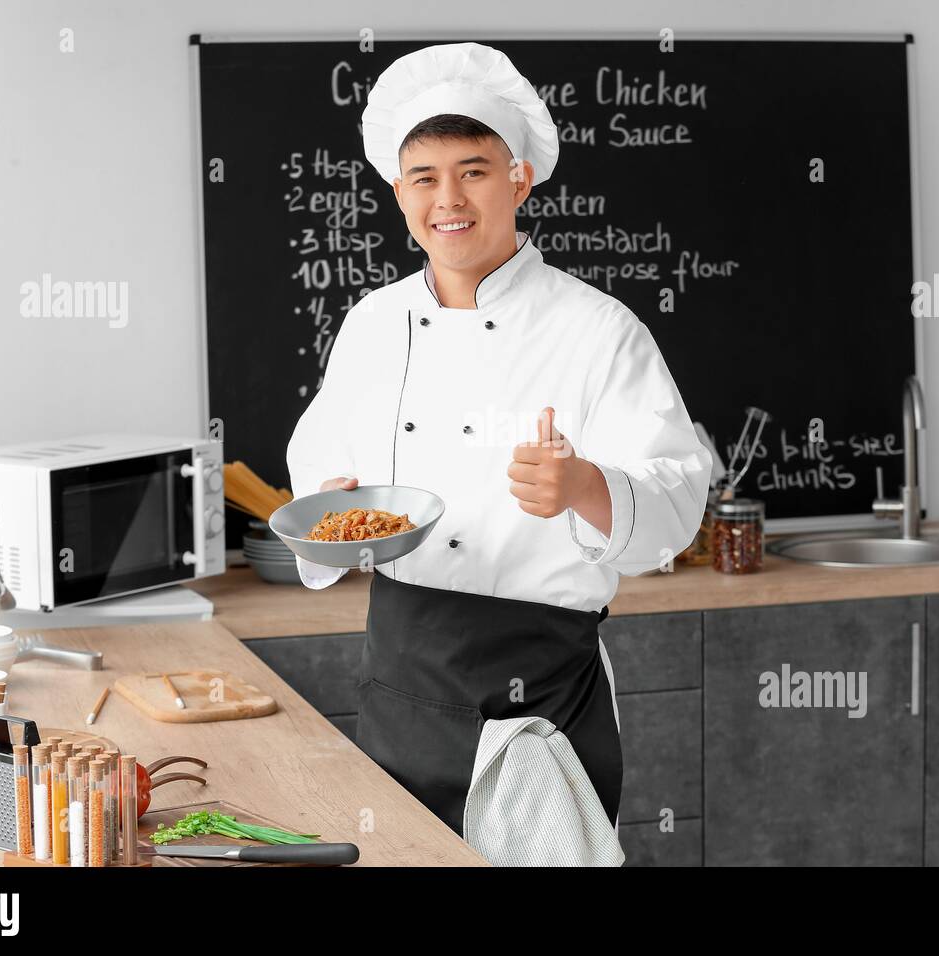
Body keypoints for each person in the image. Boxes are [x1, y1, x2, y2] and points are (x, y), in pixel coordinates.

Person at [286, 41, 711, 839]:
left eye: (474, 171)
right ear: (399, 191)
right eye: (425, 177)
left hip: (536, 690)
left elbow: (679, 498)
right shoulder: (373, 324)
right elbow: (318, 460)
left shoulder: (596, 330)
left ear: (518, 178)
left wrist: (585, 486)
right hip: (399, 677)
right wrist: (329, 514)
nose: (449, 199)